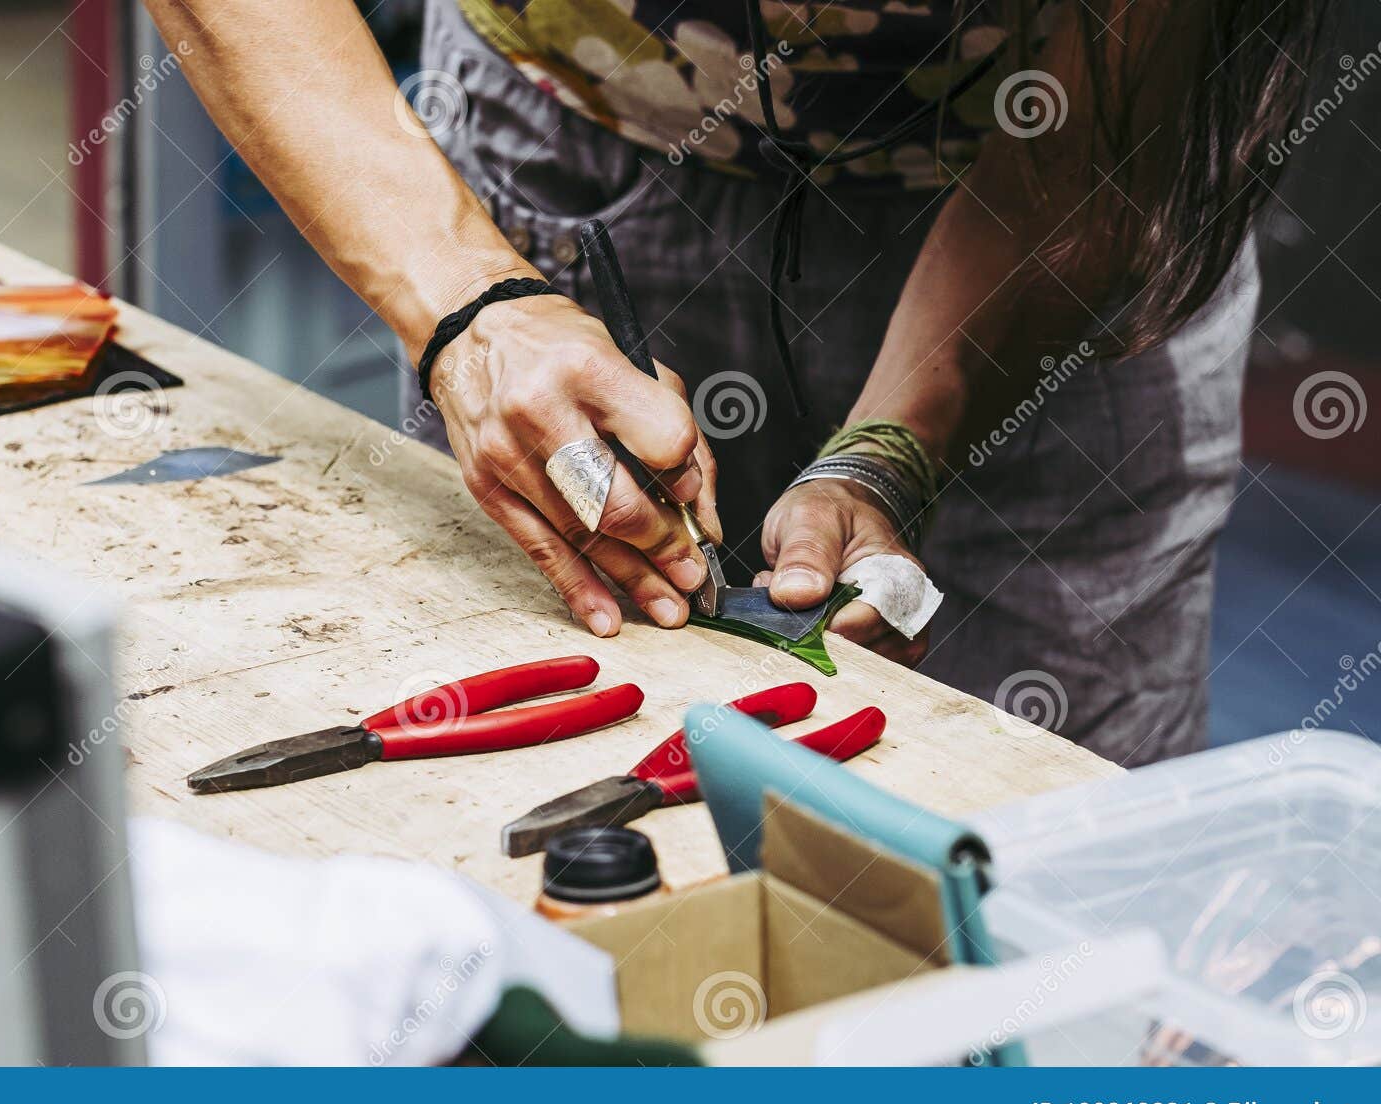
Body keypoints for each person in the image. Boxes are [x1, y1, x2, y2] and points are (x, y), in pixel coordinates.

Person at [141, 1, 1324, 764]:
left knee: (1049, 861)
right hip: (580, 139)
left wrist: (890, 447)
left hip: (1058, 238)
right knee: (517, 826)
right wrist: (467, 303)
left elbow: (1098, 147)